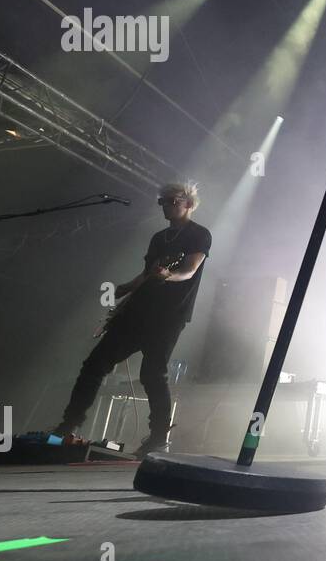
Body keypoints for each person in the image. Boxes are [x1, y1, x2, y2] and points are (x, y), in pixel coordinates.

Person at [52, 182, 211, 455]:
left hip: (169, 315)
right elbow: (147, 273)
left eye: (171, 200)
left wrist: (169, 276)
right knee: (94, 363)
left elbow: (190, 269)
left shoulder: (199, 234)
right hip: (139, 310)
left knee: (152, 373)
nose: (164, 205)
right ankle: (69, 424)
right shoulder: (159, 238)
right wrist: (126, 287)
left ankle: (159, 436)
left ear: (188, 203)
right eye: (162, 201)